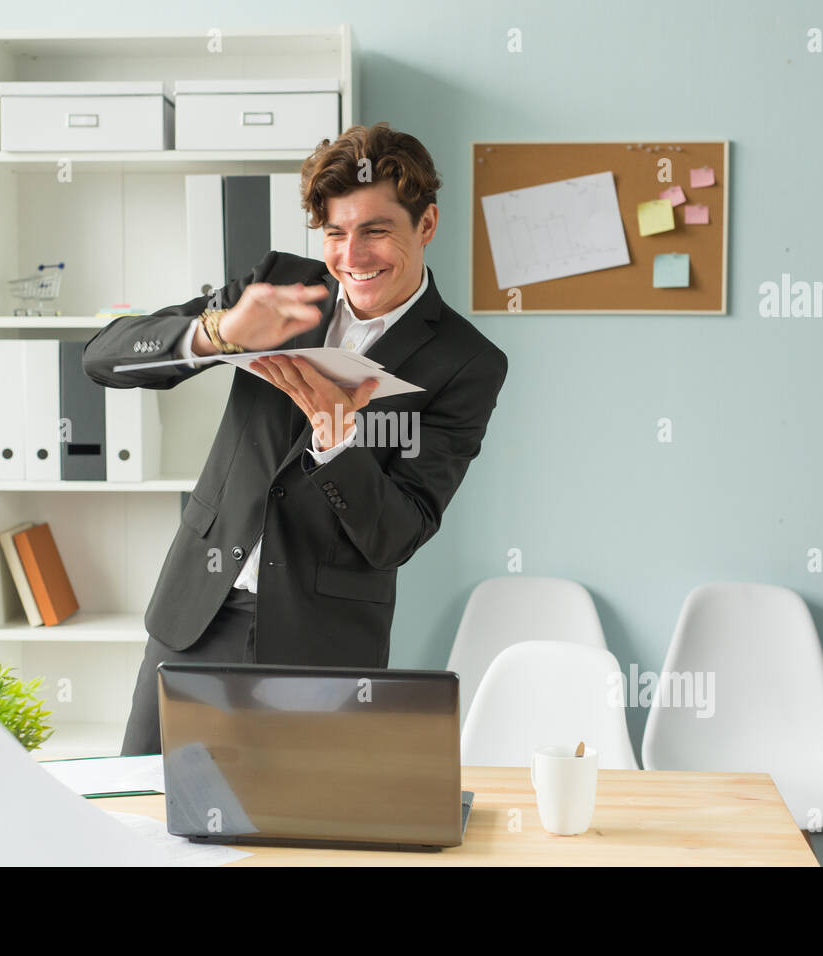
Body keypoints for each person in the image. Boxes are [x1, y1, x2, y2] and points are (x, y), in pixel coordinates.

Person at [82, 122, 509, 755]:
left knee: (299, 838)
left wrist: (339, 449)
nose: (352, 257)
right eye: (336, 233)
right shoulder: (280, 285)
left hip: (323, 645)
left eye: (376, 230)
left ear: (427, 225)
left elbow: (399, 533)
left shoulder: (467, 362)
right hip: (197, 612)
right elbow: (103, 359)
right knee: (147, 811)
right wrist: (219, 330)